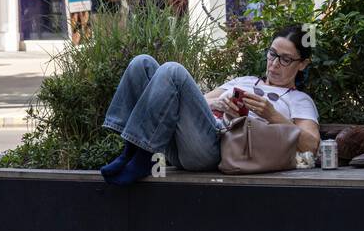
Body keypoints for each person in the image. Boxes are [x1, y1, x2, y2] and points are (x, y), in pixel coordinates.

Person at [98, 25, 321, 184]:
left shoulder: (299, 100)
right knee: (142, 63)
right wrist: (220, 102)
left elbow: (311, 144)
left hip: (217, 151)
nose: (274, 64)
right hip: (184, 140)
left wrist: (271, 114)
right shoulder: (242, 81)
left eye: (285, 59)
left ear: (302, 65)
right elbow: (195, 101)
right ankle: (132, 149)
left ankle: (141, 156)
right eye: (272, 54)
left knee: (172, 71)